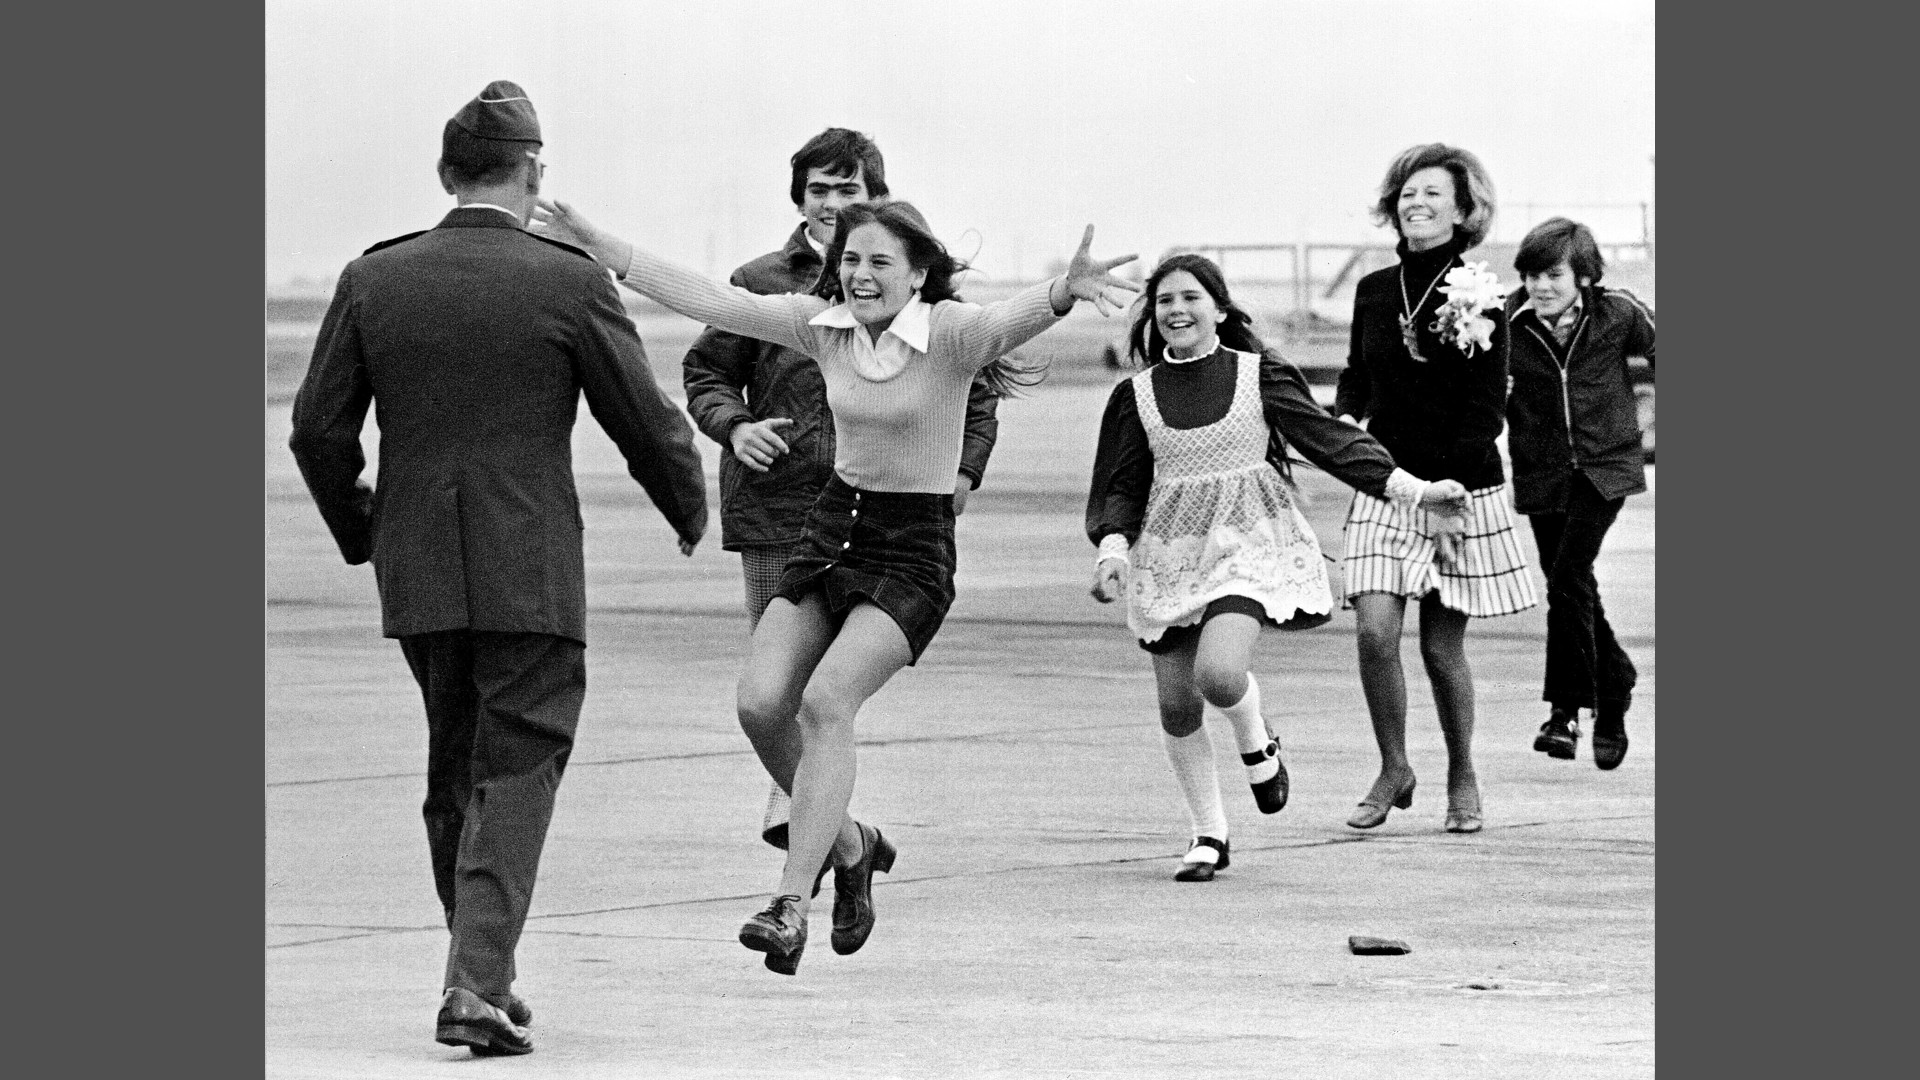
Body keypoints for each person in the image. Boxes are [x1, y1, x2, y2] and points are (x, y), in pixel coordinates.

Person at [533, 196, 1136, 974]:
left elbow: (1013, 319)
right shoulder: (820, 329)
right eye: (851, 260)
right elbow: (710, 298)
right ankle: (852, 846)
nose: (860, 274)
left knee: (825, 703)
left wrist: (1064, 289)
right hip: (831, 533)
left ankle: (790, 904)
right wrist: (600, 243)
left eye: (880, 261)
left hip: (912, 552)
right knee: (758, 704)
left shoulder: (951, 336)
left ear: (918, 272)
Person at [287, 82, 708, 1056]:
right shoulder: (566, 280)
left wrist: (365, 527)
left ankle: (482, 972)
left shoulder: (371, 279)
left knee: (455, 772)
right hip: (531, 572)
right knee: (517, 766)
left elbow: (316, 431)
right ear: (534, 173)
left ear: (445, 174)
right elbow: (642, 419)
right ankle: (475, 985)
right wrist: (687, 506)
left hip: (420, 570)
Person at [1087, 255, 1469, 881]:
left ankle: (1254, 735)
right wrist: (1112, 553)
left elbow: (1330, 440)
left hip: (1250, 545)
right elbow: (1119, 486)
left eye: (1190, 298)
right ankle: (1209, 834)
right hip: (1170, 555)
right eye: (1164, 302)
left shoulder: (1256, 375)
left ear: (1219, 308)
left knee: (1219, 671)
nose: (1177, 310)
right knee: (1178, 710)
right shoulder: (1135, 395)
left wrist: (1417, 491)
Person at [680, 128, 1004, 856]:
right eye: (818, 190)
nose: (831, 203)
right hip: (779, 507)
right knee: (773, 689)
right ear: (799, 198)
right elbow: (704, 373)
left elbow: (977, 398)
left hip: (888, 519)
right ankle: (834, 838)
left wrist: (961, 472)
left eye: (847, 190)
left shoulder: (907, 288)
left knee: (825, 697)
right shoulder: (764, 280)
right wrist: (733, 428)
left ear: (874, 199)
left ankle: (812, 840)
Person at [1333, 143, 1538, 835]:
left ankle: (1462, 770)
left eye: (1432, 195)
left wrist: (1446, 489)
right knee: (1373, 632)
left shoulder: (1482, 292)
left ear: (1463, 209)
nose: (1416, 204)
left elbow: (1485, 408)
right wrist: (1339, 430)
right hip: (1388, 485)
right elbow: (1357, 383)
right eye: (1407, 193)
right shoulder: (1372, 290)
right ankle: (1395, 767)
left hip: (1460, 488)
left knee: (1440, 648)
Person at [1503, 217, 1654, 770]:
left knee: (1568, 577)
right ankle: (1614, 687)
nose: (1541, 285)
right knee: (1573, 585)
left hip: (1603, 468)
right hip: (1543, 472)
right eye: (1531, 274)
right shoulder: (1503, 322)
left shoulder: (1619, 313)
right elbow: (1480, 391)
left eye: (1553, 274)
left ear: (1583, 275)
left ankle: (1565, 711)